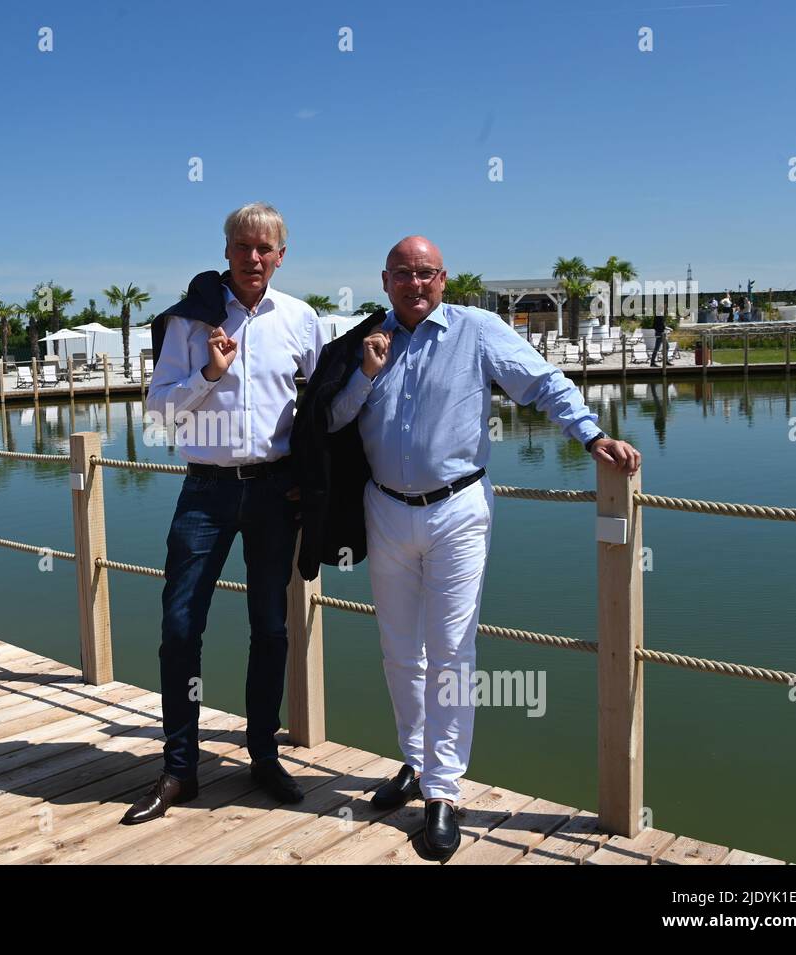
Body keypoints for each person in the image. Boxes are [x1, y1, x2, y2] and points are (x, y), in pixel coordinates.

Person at [294, 235, 640, 862]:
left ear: (444, 279)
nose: (414, 284)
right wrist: (366, 375)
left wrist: (591, 437)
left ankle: (444, 792)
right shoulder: (366, 342)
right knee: (399, 651)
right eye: (402, 274)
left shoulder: (476, 330)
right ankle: (417, 762)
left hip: (457, 509)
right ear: (385, 280)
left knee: (451, 651)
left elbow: (543, 383)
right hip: (385, 508)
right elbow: (331, 421)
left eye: (425, 273)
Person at [120, 202, 327, 825]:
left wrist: (313, 485)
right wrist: (210, 371)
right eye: (243, 247)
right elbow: (160, 414)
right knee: (180, 625)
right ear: (227, 251)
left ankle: (262, 752)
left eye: (266, 249)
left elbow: (320, 412)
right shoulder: (192, 321)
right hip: (206, 491)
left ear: (281, 256)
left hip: (273, 493)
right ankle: (180, 767)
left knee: (270, 627)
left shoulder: (302, 319)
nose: (254, 258)